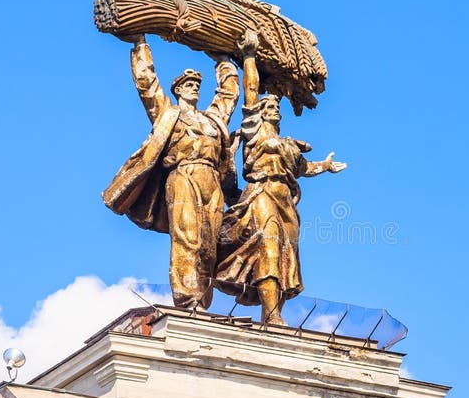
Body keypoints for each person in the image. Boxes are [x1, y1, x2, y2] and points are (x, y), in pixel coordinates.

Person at [216, 30, 346, 324]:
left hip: (287, 201)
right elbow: (251, 92)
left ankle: (272, 313)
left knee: (287, 256)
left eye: (276, 107)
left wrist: (325, 166)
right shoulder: (255, 131)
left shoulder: (289, 145)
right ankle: (272, 314)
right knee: (269, 246)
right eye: (269, 106)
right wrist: (249, 57)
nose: (274, 108)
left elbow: (304, 168)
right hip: (261, 194)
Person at [103, 36, 239, 309]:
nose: (194, 88)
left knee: (209, 245)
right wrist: (140, 44)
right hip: (183, 177)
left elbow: (228, 96)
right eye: (188, 85)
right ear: (177, 90)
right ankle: (187, 299)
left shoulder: (212, 119)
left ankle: (202, 300)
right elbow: (147, 85)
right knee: (187, 238)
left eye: (196, 85)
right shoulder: (169, 114)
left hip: (212, 181)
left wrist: (224, 61)